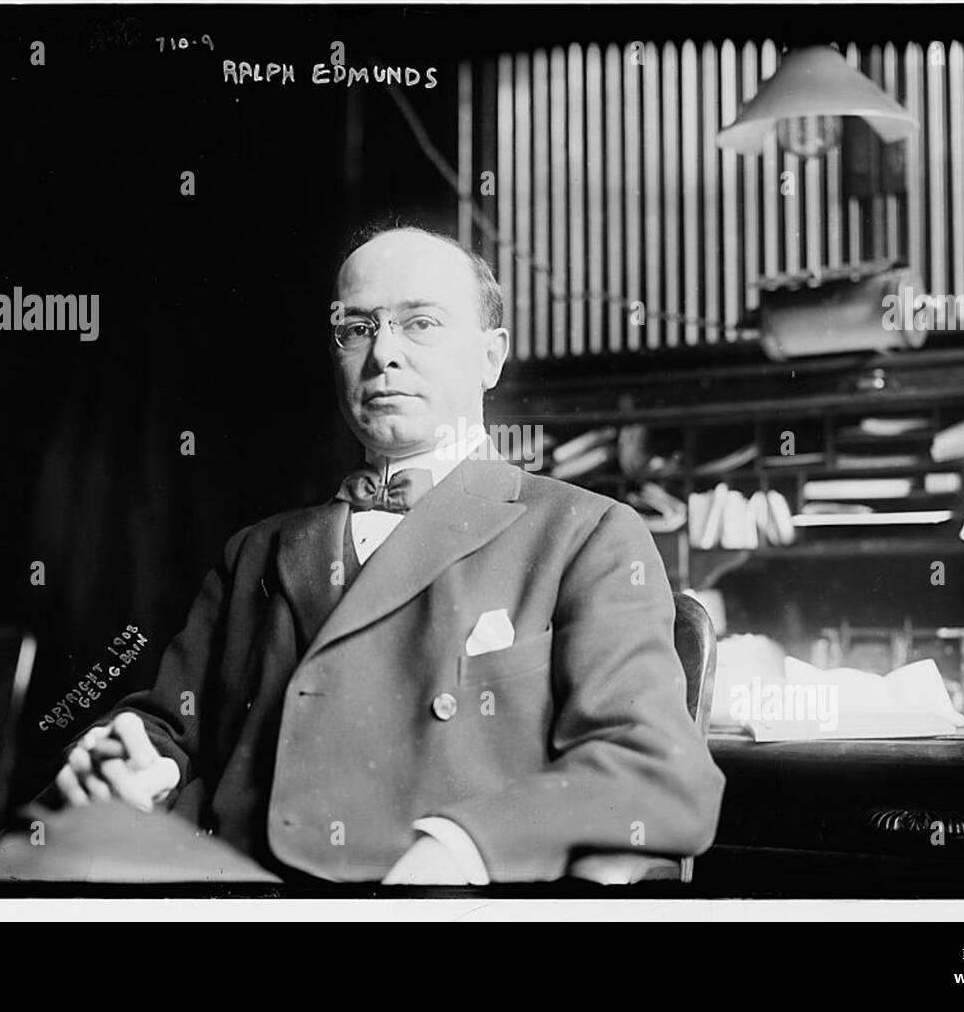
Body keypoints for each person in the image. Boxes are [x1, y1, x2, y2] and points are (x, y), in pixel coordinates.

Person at [52, 225, 725, 883]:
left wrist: (467, 847)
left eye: (421, 324)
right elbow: (170, 721)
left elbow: (655, 769)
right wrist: (140, 762)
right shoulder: (256, 551)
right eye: (357, 328)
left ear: (491, 358)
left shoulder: (583, 532)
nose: (383, 355)